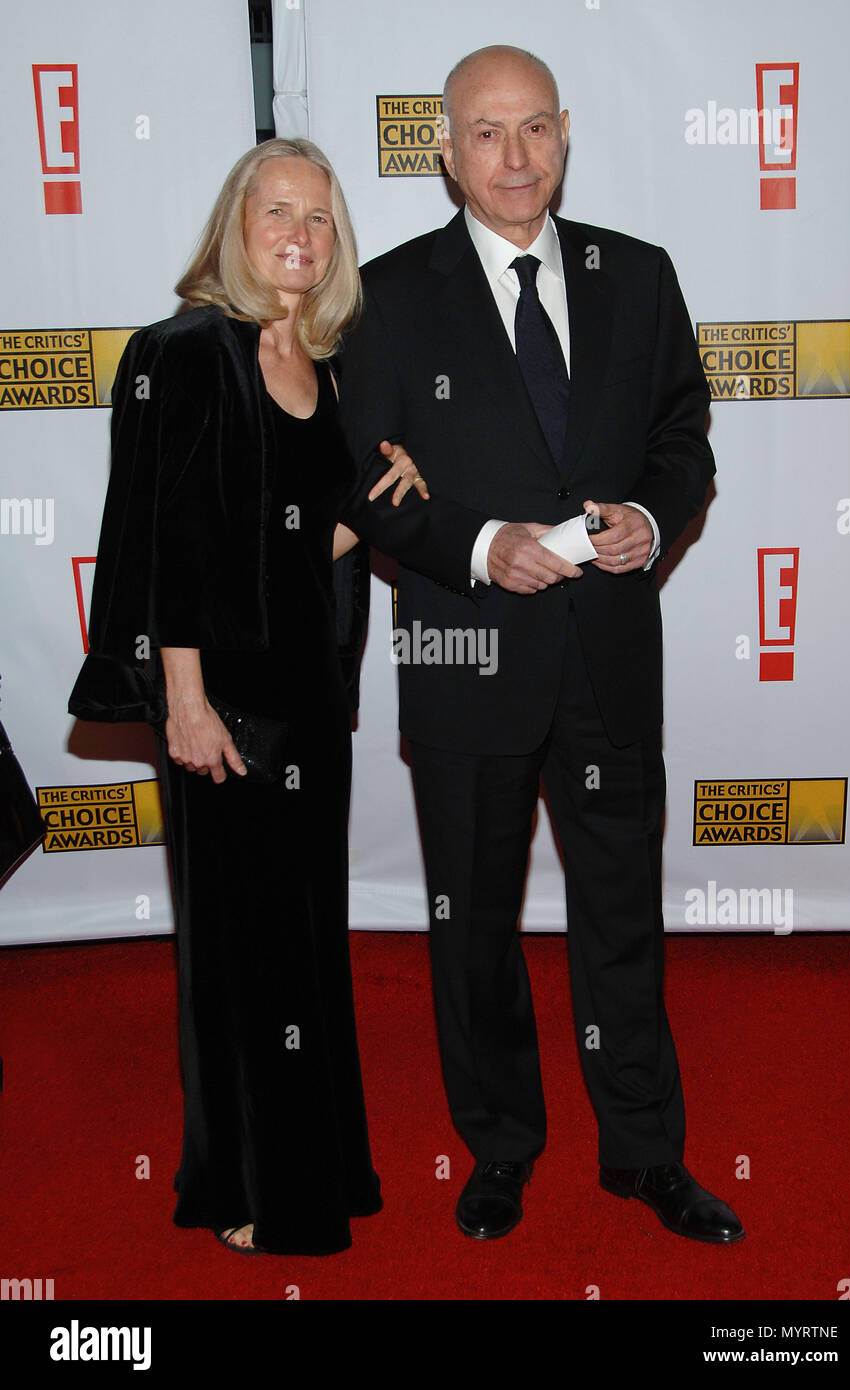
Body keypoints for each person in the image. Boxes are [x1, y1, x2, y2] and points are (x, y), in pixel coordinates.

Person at [338, 46, 744, 1245]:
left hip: (609, 653)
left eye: (534, 130)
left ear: (565, 134)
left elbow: (684, 435)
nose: (514, 159)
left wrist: (654, 517)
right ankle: (501, 1145)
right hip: (466, 654)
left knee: (622, 908)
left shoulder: (642, 275)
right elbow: (361, 474)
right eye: (485, 133)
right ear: (445, 149)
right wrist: (473, 544)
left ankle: (647, 1151)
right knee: (475, 921)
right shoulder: (388, 293)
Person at [69, 138, 493, 1255]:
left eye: (320, 217)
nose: (299, 234)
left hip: (310, 702)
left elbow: (298, 542)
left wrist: (383, 503)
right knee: (240, 955)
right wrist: (186, 701)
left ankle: (318, 1166)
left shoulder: (331, 363)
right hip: (225, 705)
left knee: (306, 945)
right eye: (277, 213)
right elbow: (165, 543)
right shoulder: (185, 352)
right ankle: (247, 1185)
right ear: (236, 225)